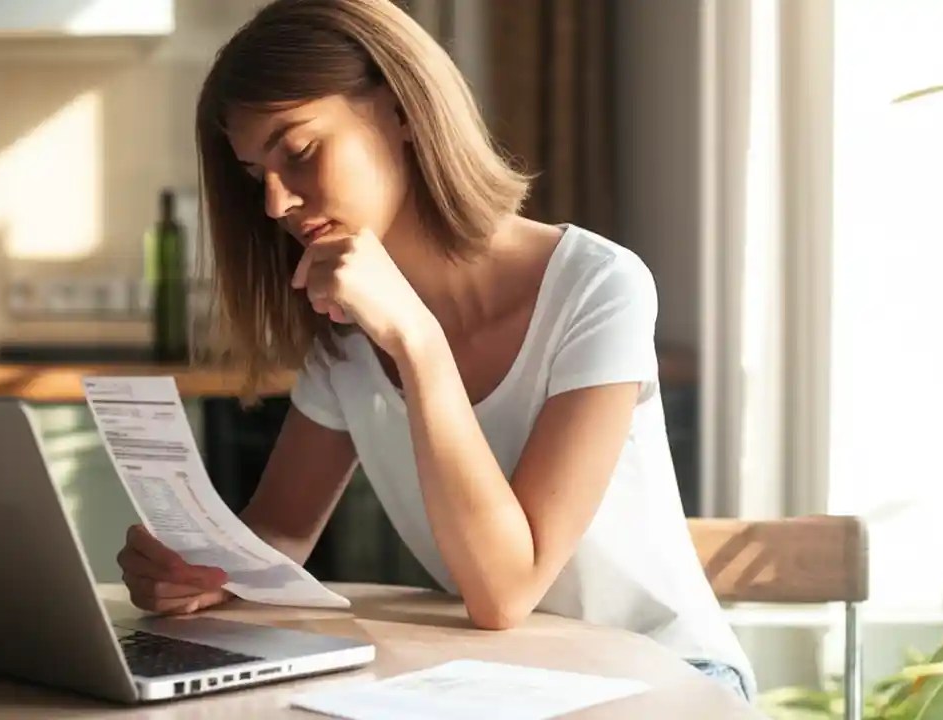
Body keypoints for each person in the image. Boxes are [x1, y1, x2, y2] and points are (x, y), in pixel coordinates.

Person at [116, 0, 756, 702]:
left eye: (298, 152)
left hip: (670, 680)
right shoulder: (346, 329)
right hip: (501, 683)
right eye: (252, 173)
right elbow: (278, 538)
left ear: (402, 111)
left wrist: (416, 340)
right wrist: (196, 573)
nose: (274, 204)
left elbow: (505, 592)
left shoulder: (597, 287)